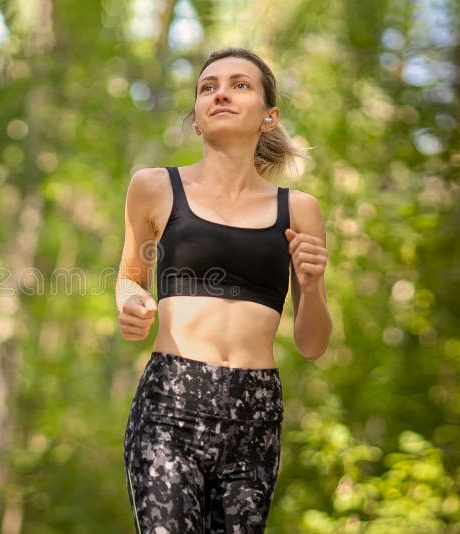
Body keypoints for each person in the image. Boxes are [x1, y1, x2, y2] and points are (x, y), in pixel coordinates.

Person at [115, 47, 333, 533]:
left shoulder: (298, 210)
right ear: (196, 118)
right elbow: (131, 276)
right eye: (207, 87)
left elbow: (312, 344)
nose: (220, 94)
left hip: (256, 415)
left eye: (239, 85)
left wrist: (313, 286)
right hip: (170, 404)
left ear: (268, 116)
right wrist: (130, 302)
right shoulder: (155, 187)